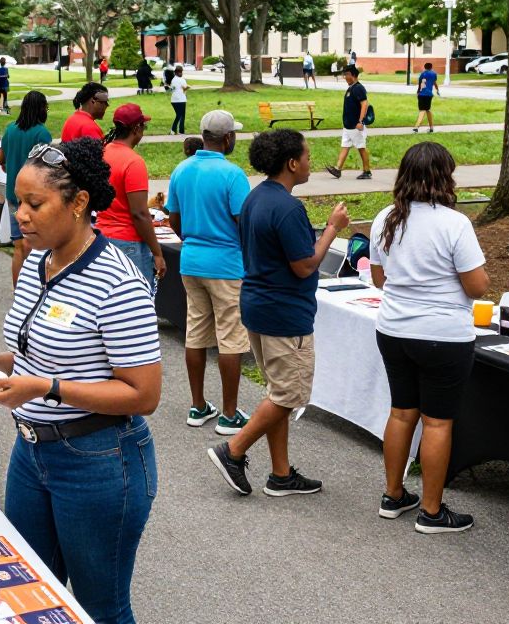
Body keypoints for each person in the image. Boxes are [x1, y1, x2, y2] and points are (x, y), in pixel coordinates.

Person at [0, 137, 161, 624]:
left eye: (34, 203)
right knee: (29, 594)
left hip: (99, 462)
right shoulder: (38, 260)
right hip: (31, 453)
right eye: (17, 201)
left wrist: (45, 387)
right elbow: (38, 346)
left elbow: (143, 394)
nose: (19, 215)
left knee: (100, 608)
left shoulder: (119, 282)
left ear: (79, 203)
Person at [208, 129, 349, 498]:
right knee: (288, 394)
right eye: (306, 156)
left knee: (277, 391)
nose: (310, 162)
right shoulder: (287, 208)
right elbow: (305, 266)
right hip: (284, 312)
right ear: (291, 163)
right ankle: (233, 450)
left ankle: (281, 474)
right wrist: (332, 229)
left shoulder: (256, 197)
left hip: (257, 303)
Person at [369, 142, 488, 534]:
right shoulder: (454, 224)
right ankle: (432, 512)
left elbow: (379, 279)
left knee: (401, 412)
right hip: (442, 335)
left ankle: (393, 494)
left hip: (393, 329)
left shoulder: (386, 217)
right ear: (445, 177)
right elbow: (477, 287)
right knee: (437, 423)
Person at [166, 110, 252, 434]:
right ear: (228, 138)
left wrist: (190, 238)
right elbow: (243, 221)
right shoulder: (233, 175)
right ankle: (230, 414)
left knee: (196, 332)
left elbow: (174, 218)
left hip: (191, 261)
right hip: (226, 264)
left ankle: (198, 405)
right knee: (230, 338)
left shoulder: (182, 169)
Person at [99, 103, 166, 289]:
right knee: (136, 301)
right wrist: (157, 253)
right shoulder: (133, 162)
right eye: (143, 126)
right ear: (136, 129)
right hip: (128, 243)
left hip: (101, 238)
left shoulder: (102, 152)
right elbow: (139, 213)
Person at [0, 90, 52, 285]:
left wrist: (11, 164)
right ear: (41, 109)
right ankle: (33, 288)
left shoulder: (10, 129)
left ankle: (17, 290)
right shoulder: (42, 133)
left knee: (19, 246)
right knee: (35, 246)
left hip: (13, 195)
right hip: (34, 198)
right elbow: (46, 167)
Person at [326, 65, 372, 180]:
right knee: (345, 146)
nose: (345, 77)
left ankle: (367, 171)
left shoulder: (358, 88)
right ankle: (338, 169)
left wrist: (360, 121)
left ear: (354, 75)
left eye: (347, 75)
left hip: (356, 126)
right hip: (348, 126)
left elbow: (364, 104)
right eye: (344, 74)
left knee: (361, 148)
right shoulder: (351, 88)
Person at [414, 62, 440, 133]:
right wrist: (437, 90)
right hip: (429, 95)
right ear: (431, 67)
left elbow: (420, 84)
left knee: (422, 110)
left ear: (424, 67)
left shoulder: (422, 74)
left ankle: (416, 126)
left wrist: (418, 92)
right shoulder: (434, 74)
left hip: (422, 94)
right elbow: (434, 83)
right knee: (428, 110)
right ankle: (431, 128)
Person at [170, 64, 189, 135]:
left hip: (174, 100)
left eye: (181, 72)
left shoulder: (173, 80)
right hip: (181, 100)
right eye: (180, 72)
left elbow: (172, 90)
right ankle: (174, 129)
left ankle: (180, 130)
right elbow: (185, 87)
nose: (181, 73)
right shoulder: (182, 79)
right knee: (180, 115)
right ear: (176, 72)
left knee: (180, 115)